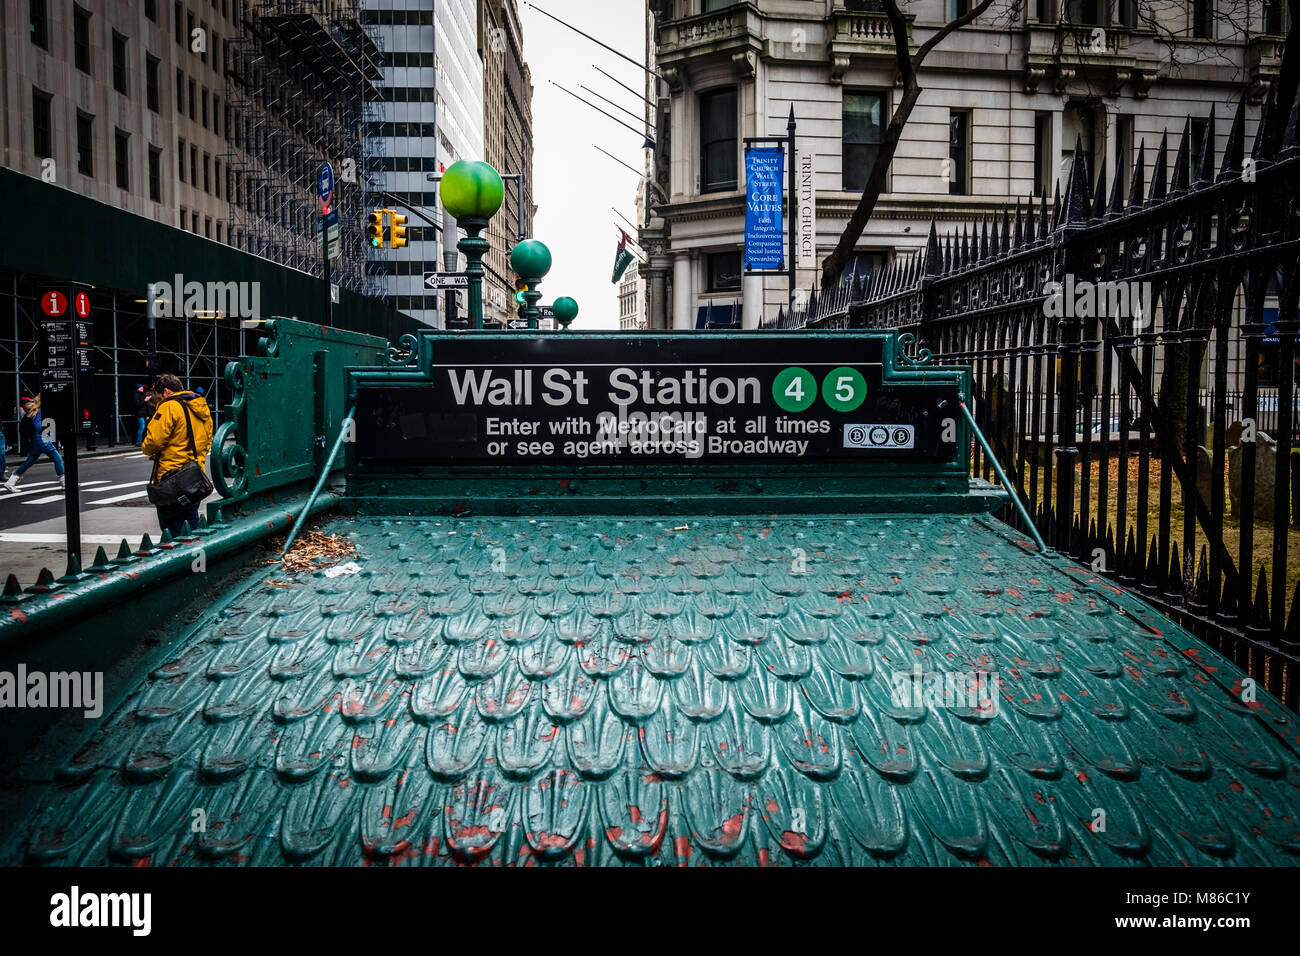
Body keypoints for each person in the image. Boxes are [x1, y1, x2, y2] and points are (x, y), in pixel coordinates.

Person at [142, 373, 213, 537]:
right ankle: (196, 560)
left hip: (171, 478)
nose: (158, 401)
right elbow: (207, 440)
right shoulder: (200, 407)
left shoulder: (169, 406)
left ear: (166, 391)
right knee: (190, 524)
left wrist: (146, 448)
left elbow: (153, 442)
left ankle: (183, 561)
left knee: (171, 529)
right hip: (195, 477)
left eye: (159, 397)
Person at [4, 395, 65, 492]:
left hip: (38, 439)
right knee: (57, 458)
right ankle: (64, 483)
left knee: (30, 461)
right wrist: (49, 426)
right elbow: (38, 426)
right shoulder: (40, 411)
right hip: (42, 438)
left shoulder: (35, 411)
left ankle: (11, 482)